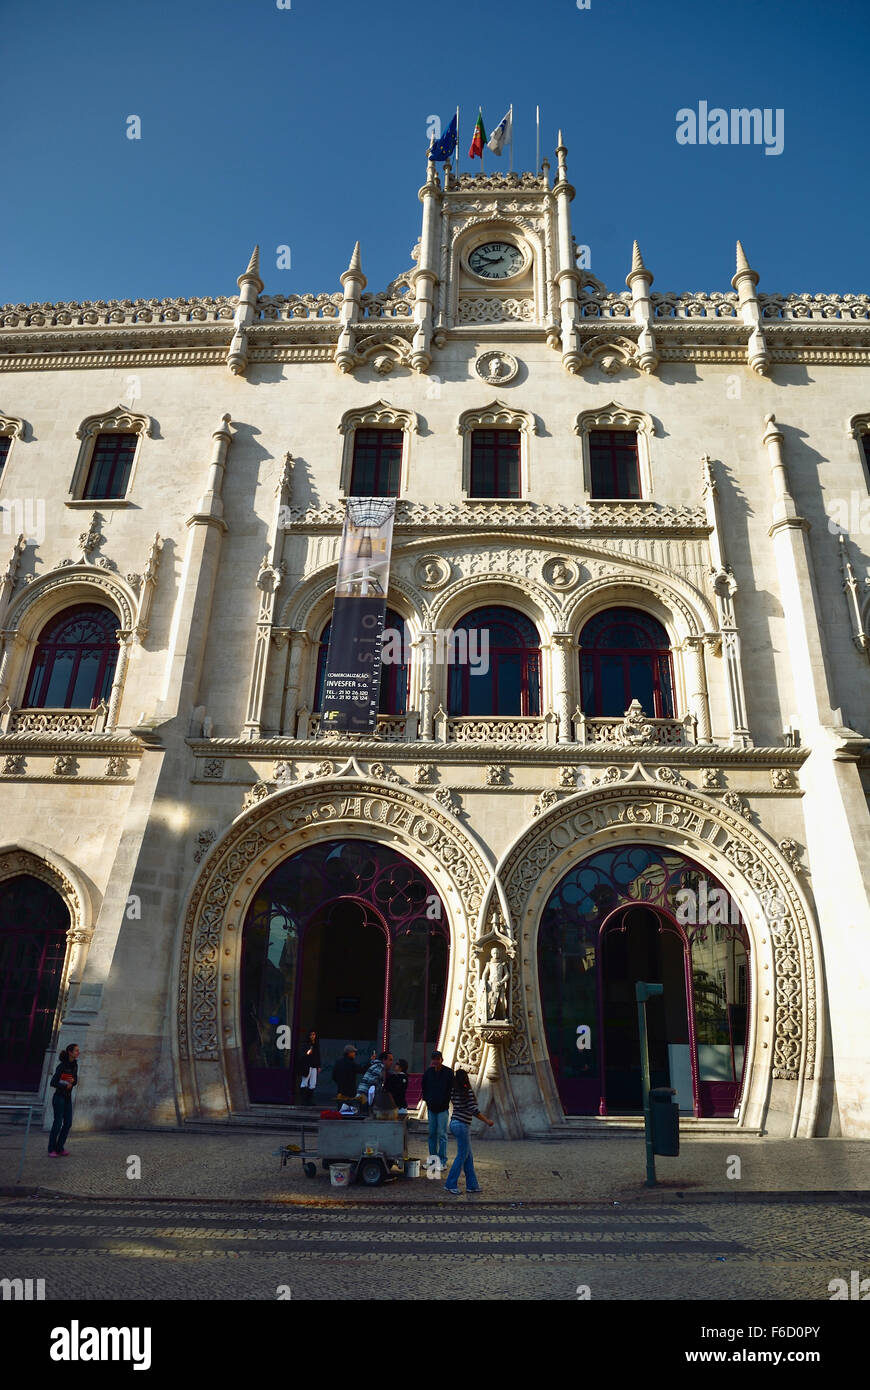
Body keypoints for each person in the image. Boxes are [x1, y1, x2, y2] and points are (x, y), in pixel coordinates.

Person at [444, 1068, 493, 1195]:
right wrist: (487, 1121)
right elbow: (474, 1110)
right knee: (461, 1156)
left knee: (468, 1156)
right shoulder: (467, 1092)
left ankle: (472, 1185)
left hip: (454, 1123)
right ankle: (450, 1184)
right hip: (462, 1125)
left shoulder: (453, 1091)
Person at [421, 1050, 453, 1173]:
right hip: (432, 1107)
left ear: (441, 1060)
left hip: (442, 1108)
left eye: (437, 1059)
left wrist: (444, 1101)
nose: (435, 1061)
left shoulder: (448, 1073)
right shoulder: (428, 1073)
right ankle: (434, 1160)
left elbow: (450, 1088)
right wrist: (428, 1100)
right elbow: (424, 1087)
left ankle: (442, 1161)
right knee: (432, 1134)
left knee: (442, 1134)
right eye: (433, 1059)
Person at [48, 1044, 79, 1156]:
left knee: (68, 1123)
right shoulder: (61, 1066)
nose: (78, 1052)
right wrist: (65, 1086)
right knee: (57, 1123)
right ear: (70, 1052)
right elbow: (53, 1083)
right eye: (76, 1051)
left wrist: (73, 1082)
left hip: (67, 1098)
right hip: (59, 1097)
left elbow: (75, 1080)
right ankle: (51, 1149)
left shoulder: (75, 1065)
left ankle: (60, 1148)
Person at [296, 1029, 321, 1106]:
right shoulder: (305, 1044)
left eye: (314, 1035)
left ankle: (309, 1100)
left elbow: (318, 1056)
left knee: (313, 1083)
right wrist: (307, 1053)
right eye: (311, 1035)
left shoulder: (316, 1044)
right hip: (307, 1065)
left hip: (314, 1066)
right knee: (304, 1082)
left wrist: (319, 1066)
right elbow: (302, 1055)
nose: (312, 1036)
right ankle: (303, 1101)